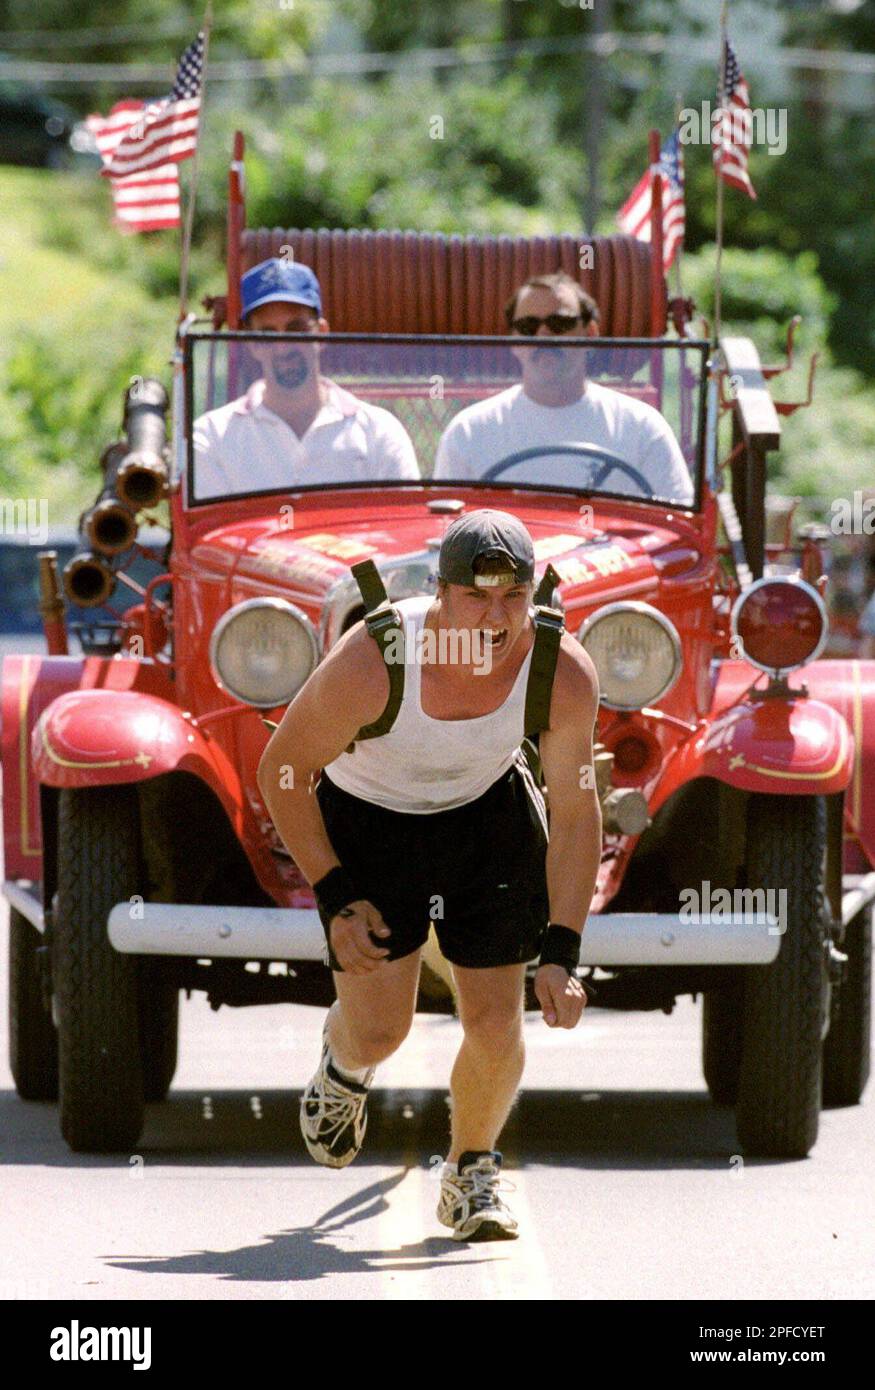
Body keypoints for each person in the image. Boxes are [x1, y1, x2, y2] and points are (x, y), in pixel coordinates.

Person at [257, 509, 602, 1242]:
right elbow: (282, 772)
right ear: (439, 594)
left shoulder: (560, 669)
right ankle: (344, 1067)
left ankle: (471, 1170)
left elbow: (574, 810)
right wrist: (334, 894)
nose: (495, 616)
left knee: (493, 1018)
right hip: (370, 821)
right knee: (381, 1031)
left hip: (484, 817)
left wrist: (564, 950)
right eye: (476, 597)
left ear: (534, 594)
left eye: (512, 597)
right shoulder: (376, 658)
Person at [432, 270, 694, 505]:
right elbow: (446, 533)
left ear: (590, 334)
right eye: (528, 327)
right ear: (513, 341)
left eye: (559, 323)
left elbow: (679, 532)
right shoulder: (468, 432)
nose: (543, 336)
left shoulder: (642, 428)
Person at [193, 258, 420, 498]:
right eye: (268, 334)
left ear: (321, 334)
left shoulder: (380, 433)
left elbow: (403, 525)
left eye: (296, 329)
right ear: (252, 343)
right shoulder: (212, 439)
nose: (283, 348)